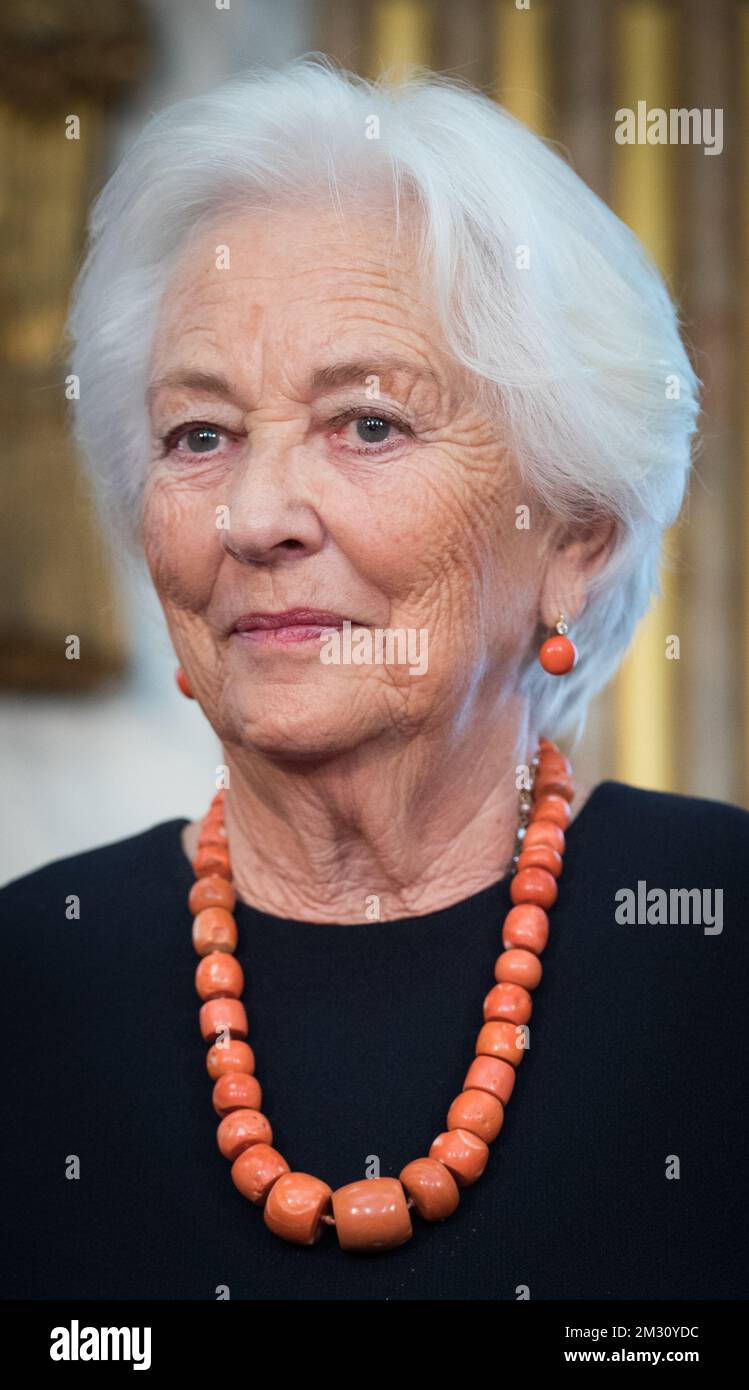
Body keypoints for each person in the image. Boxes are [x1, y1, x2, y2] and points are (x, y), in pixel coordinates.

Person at [2, 57, 747, 1300]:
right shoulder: (29, 973)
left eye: (366, 423)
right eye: (200, 436)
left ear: (574, 537)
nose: (252, 516)